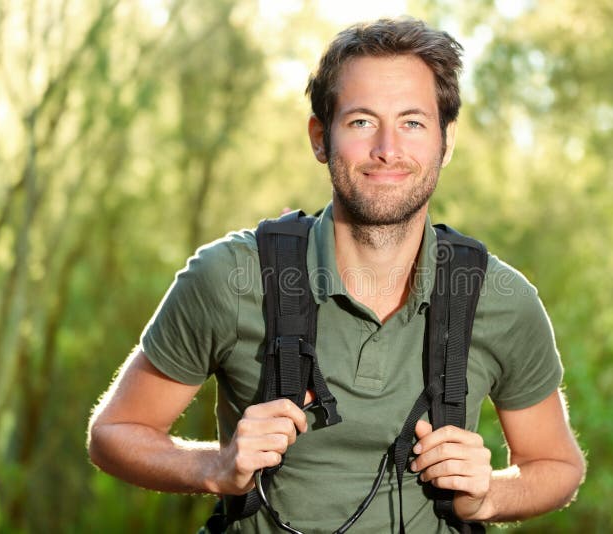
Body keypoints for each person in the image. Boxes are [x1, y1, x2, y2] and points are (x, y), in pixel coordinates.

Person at [87, 17, 585, 533]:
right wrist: (214, 467)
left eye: (413, 122)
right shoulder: (231, 277)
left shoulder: (499, 298)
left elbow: (559, 467)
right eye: (362, 122)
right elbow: (115, 432)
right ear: (320, 138)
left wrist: (487, 498)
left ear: (445, 141)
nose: (388, 149)